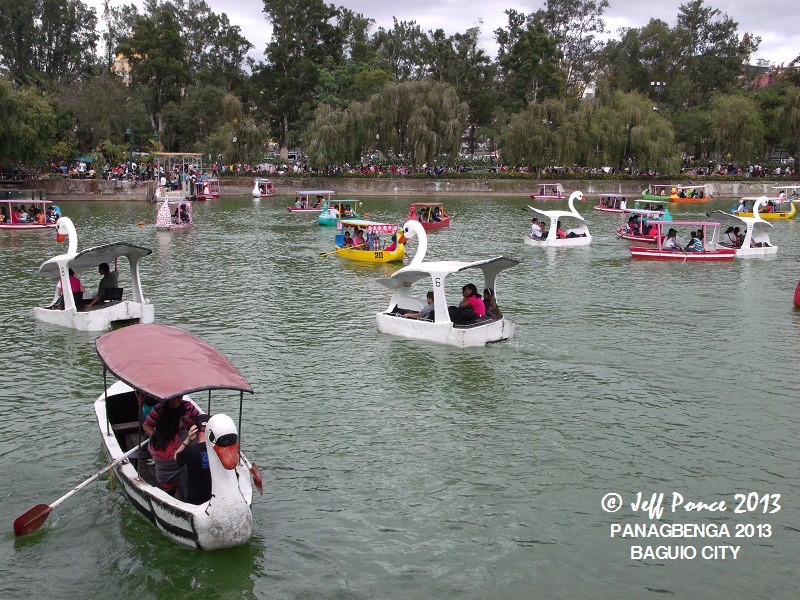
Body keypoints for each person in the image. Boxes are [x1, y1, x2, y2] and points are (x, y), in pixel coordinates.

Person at [143, 397, 200, 494]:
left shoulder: (152, 442)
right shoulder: (185, 438)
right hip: (181, 479)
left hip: (163, 480)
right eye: (181, 420)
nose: (183, 421)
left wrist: (158, 437)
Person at [175, 414, 213, 505]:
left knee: (183, 472)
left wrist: (188, 439)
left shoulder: (190, 451)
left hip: (196, 501)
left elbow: (176, 456)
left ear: (194, 431)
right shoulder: (221, 451)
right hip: (215, 497)